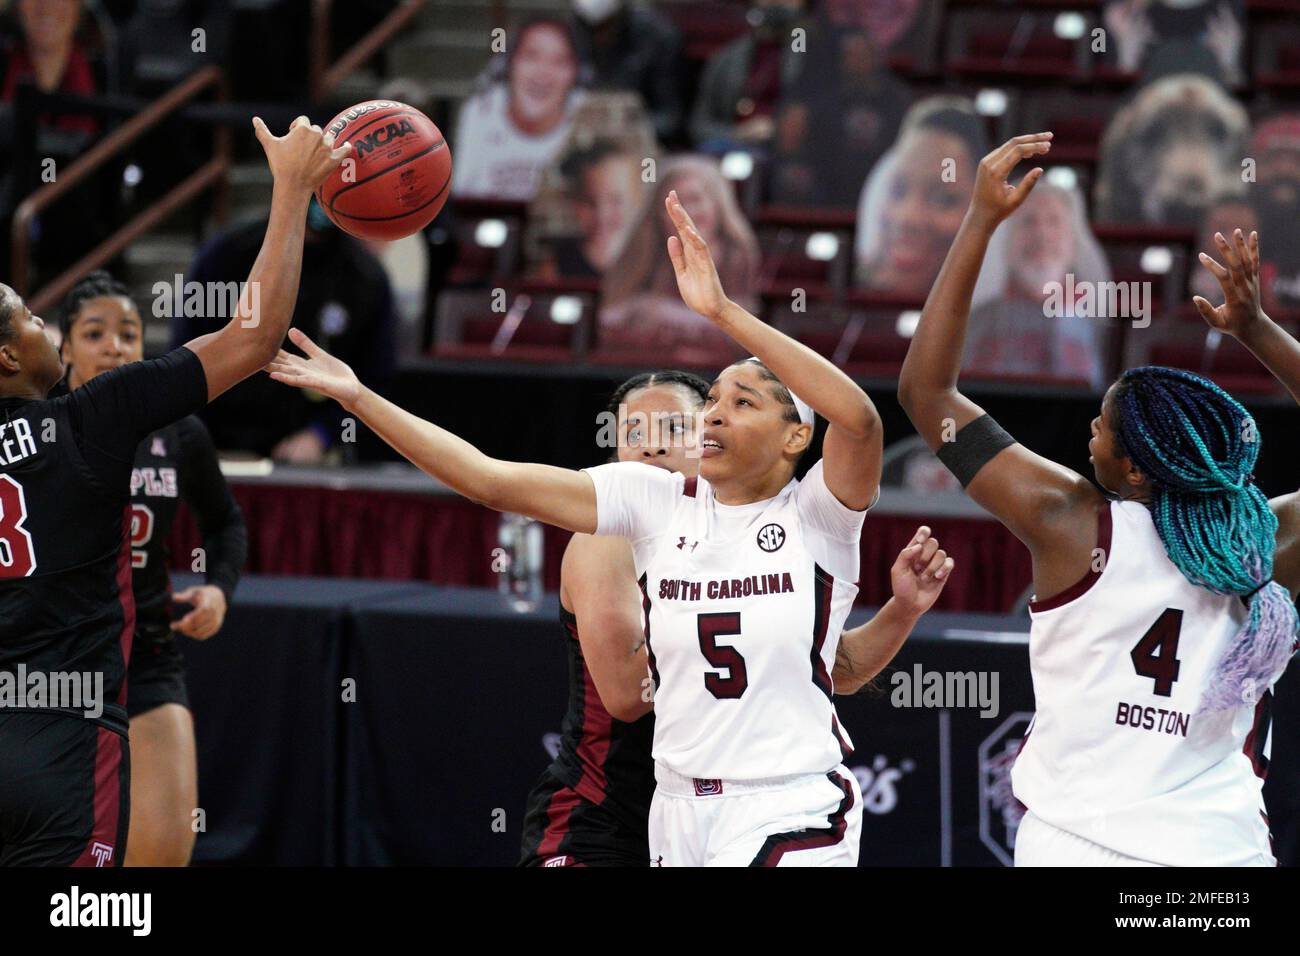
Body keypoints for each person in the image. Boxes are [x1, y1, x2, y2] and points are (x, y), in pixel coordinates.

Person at [269, 187, 895, 866]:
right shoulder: (655, 501)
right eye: (710, 399)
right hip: (676, 812)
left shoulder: (818, 515)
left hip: (791, 803)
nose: (713, 414)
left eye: (740, 403)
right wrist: (360, 397)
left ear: (796, 436)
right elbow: (487, 478)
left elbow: (860, 419)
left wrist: (722, 312)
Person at [897, 131, 1300, 866]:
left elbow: (926, 394)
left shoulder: (1072, 521)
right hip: (1221, 853)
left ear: (1137, 471)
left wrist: (982, 220)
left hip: (1078, 847)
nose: (1089, 430)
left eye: (1103, 425)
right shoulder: (1265, 542)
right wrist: (1258, 331)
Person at [0, 115, 347, 866]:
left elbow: (224, 523)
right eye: (31, 317)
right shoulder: (96, 418)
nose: (43, 328)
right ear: (7, 356)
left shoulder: (120, 421)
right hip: (65, 731)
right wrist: (290, 192)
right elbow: (254, 339)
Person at [518, 368, 954, 866]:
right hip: (605, 807)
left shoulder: (752, 525)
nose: (651, 448)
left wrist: (901, 611)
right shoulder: (608, 537)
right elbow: (626, 694)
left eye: (673, 429)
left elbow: (838, 669)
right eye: (632, 435)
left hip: (713, 812)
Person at [58, 270, 248, 867]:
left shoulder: (177, 430)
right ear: (62, 348)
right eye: (94, 333)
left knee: (162, 856)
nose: (115, 345)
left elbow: (226, 523)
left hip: (147, 656)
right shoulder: (41, 426)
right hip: (49, 662)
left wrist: (218, 590)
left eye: (129, 332)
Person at [173, 197, 396, 463]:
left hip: (306, 455)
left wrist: (321, 435)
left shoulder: (367, 278)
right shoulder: (226, 253)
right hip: (219, 445)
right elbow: (185, 356)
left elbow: (373, 382)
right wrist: (195, 436)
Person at [598, 155, 760, 364]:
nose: (686, 214)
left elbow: (745, 335)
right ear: (657, 213)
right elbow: (607, 323)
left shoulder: (738, 256)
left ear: (717, 206)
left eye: (695, 200)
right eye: (676, 205)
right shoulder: (640, 252)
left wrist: (663, 314)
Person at [450, 16, 588, 202]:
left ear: (575, 74)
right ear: (510, 64)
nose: (543, 73)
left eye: (560, 61)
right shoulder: (481, 109)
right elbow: (462, 193)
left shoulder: (590, 113)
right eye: (531, 56)